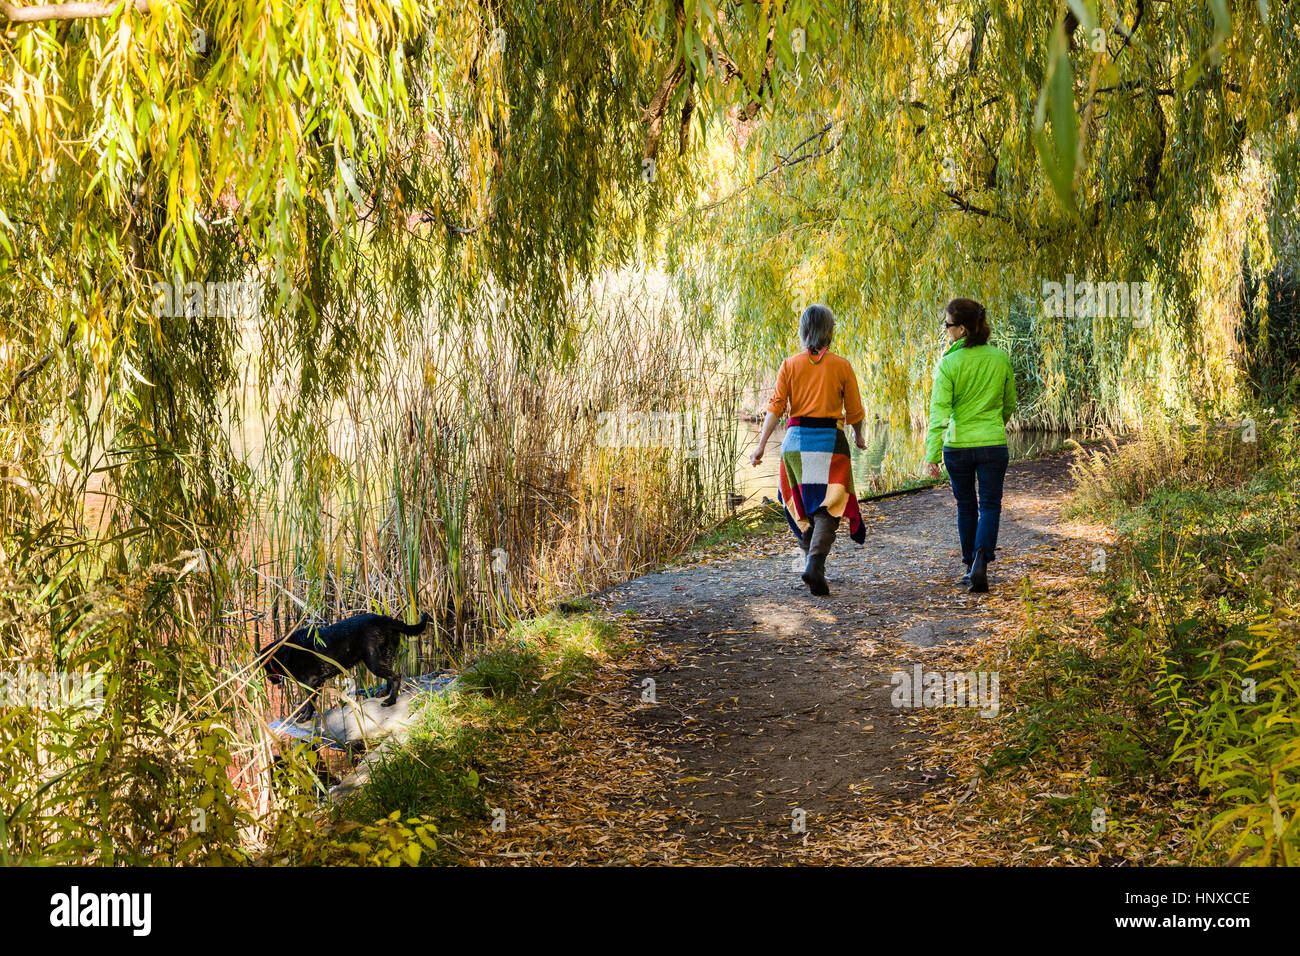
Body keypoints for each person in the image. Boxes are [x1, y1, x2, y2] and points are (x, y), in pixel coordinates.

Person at [751, 304, 868, 595]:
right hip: (830, 442)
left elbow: (776, 408)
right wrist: (859, 436)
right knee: (830, 505)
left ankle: (812, 565)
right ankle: (814, 563)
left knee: (795, 501)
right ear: (830, 332)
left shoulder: (789, 364)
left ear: (803, 331)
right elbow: (854, 410)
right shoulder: (842, 365)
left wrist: (762, 444)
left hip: (796, 443)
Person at [924, 297, 1017, 593]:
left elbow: (939, 413)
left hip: (958, 445)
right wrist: (994, 425)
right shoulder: (1000, 358)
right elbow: (1009, 402)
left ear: (962, 329)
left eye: (948, 325)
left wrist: (932, 455)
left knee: (966, 506)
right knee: (990, 506)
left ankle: (968, 566)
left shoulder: (949, 364)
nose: (946, 331)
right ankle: (981, 559)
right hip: (993, 444)